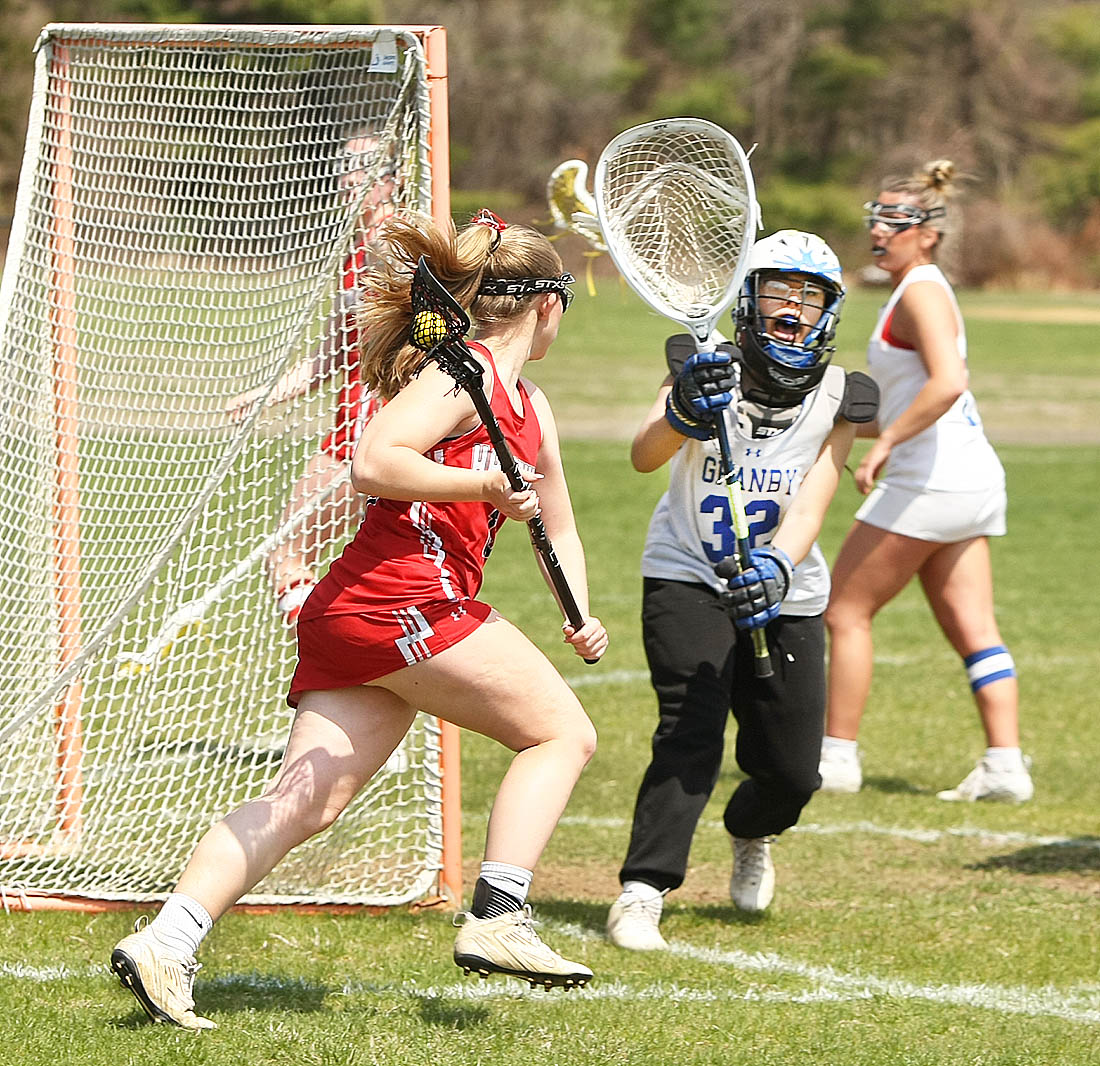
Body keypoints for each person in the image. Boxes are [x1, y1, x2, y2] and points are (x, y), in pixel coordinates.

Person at [111, 210, 608, 1028]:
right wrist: (481, 490)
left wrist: (579, 611)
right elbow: (375, 458)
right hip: (402, 602)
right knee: (562, 735)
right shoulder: (461, 374)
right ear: (548, 306)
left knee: (309, 803)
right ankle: (499, 915)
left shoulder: (530, 406)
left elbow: (560, 523)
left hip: (358, 614)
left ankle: (167, 942)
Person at [606, 231, 878, 951]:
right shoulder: (700, 365)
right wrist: (683, 415)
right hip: (688, 570)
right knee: (689, 728)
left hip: (787, 587)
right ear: (748, 302)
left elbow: (815, 501)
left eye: (810, 296)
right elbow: (642, 457)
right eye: (779, 293)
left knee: (793, 769)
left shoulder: (841, 394)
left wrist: (780, 567)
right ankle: (643, 889)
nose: (793, 310)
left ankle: (751, 831)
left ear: (830, 310)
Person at [818, 160, 1032, 803]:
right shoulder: (912, 288)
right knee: (975, 629)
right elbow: (911, 394)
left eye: (895, 220)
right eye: (875, 218)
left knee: (846, 611)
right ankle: (1005, 767)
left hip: (932, 483)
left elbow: (948, 383)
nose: (879, 231)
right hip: (969, 481)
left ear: (929, 232)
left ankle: (837, 759)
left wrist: (884, 442)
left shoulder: (920, 290)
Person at [228, 129, 396, 624]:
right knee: (292, 556)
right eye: (345, 167)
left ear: (391, 180)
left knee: (290, 553)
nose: (348, 179)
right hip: (350, 430)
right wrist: (266, 395)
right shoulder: (353, 257)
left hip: (384, 434)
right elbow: (330, 359)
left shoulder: (399, 241)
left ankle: (336, 649)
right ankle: (342, 647)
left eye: (362, 168)